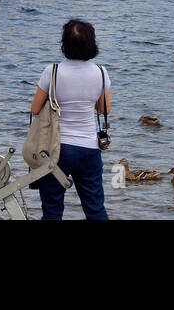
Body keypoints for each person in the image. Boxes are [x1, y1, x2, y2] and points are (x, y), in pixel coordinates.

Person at [29, 19, 111, 221]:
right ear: (92, 44)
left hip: (57, 150)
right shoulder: (101, 72)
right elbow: (104, 109)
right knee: (95, 210)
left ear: (64, 44)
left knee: (52, 211)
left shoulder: (53, 71)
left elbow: (35, 109)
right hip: (89, 149)